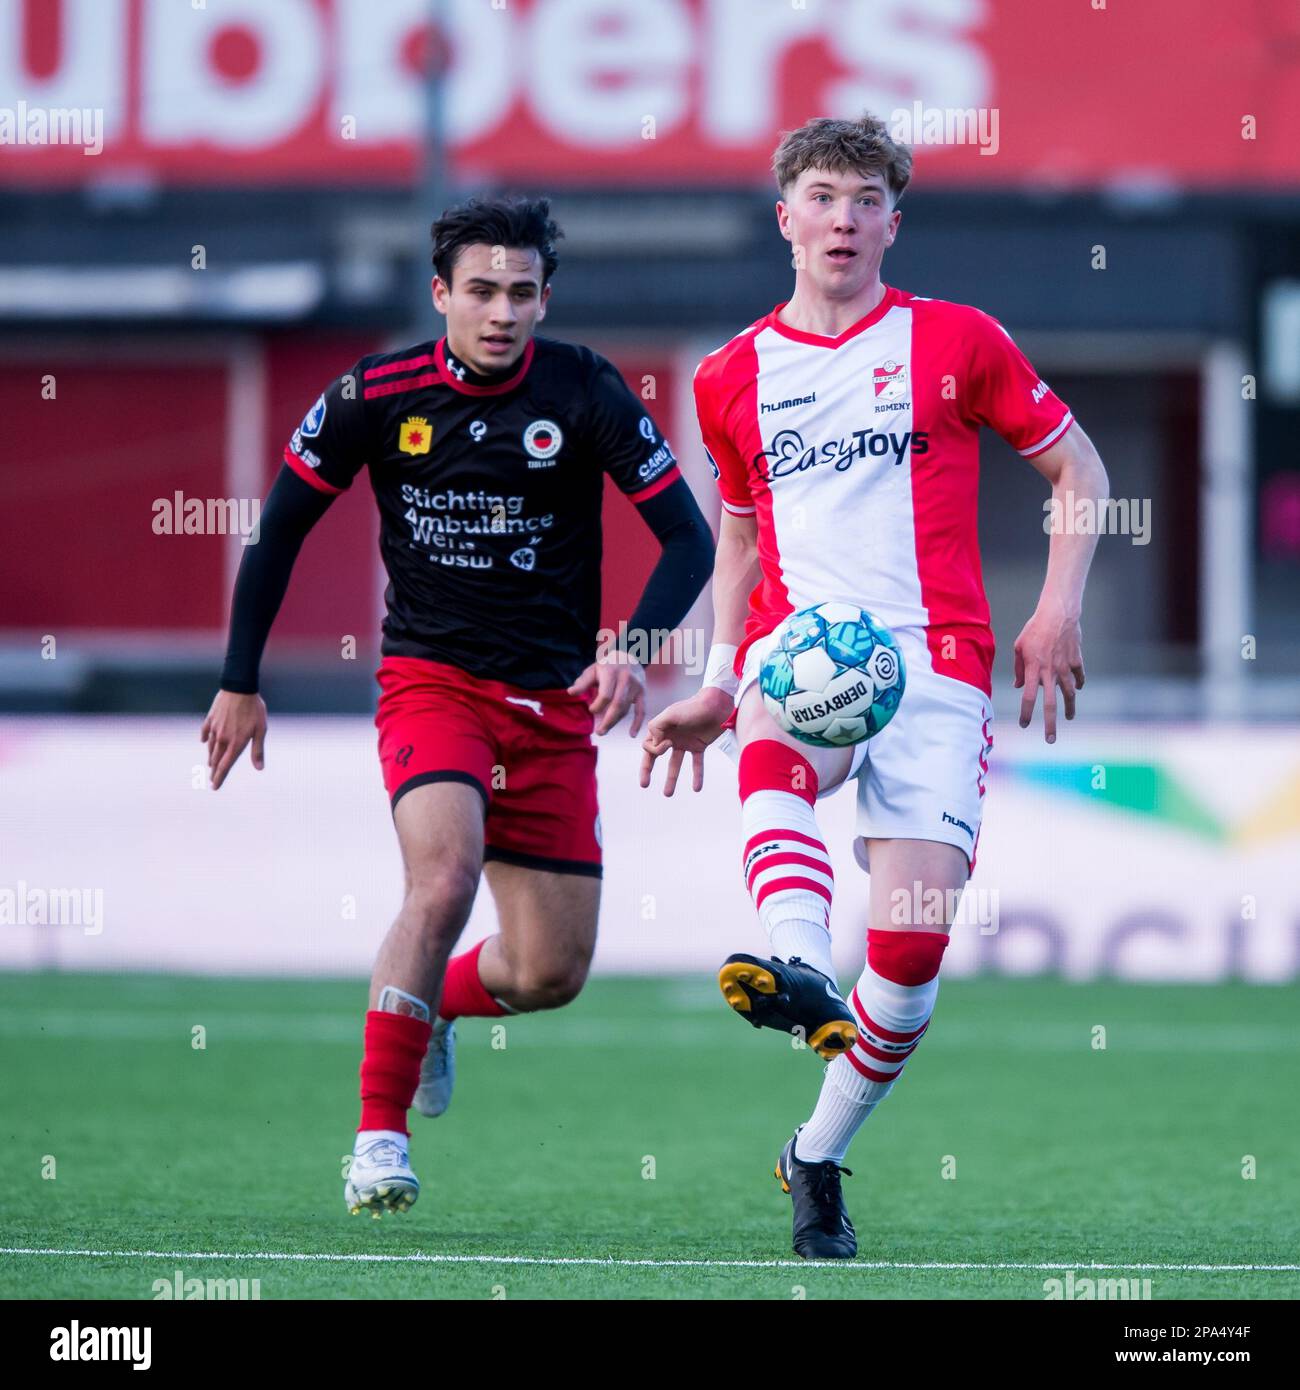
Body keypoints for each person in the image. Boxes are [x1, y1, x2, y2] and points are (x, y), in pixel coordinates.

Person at [640, 116, 1108, 1259]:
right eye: (821, 197)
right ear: (785, 217)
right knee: (771, 737)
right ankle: (795, 956)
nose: (842, 219)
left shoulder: (957, 339)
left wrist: (1055, 609)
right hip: (799, 649)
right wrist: (714, 672)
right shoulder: (729, 374)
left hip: (937, 660)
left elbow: (1076, 466)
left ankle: (814, 1154)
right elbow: (736, 539)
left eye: (863, 200)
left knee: (908, 952)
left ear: (892, 222)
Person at [202, 195, 714, 1217]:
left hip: (555, 703)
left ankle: (432, 1001)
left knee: (548, 972)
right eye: (480, 290)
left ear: (543, 299)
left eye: (521, 293)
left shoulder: (585, 390)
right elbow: (280, 529)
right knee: (442, 879)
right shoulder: (375, 393)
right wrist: (240, 678)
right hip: (431, 681)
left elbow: (688, 541)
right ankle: (377, 1140)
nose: (501, 311)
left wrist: (634, 651)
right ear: (441, 294)